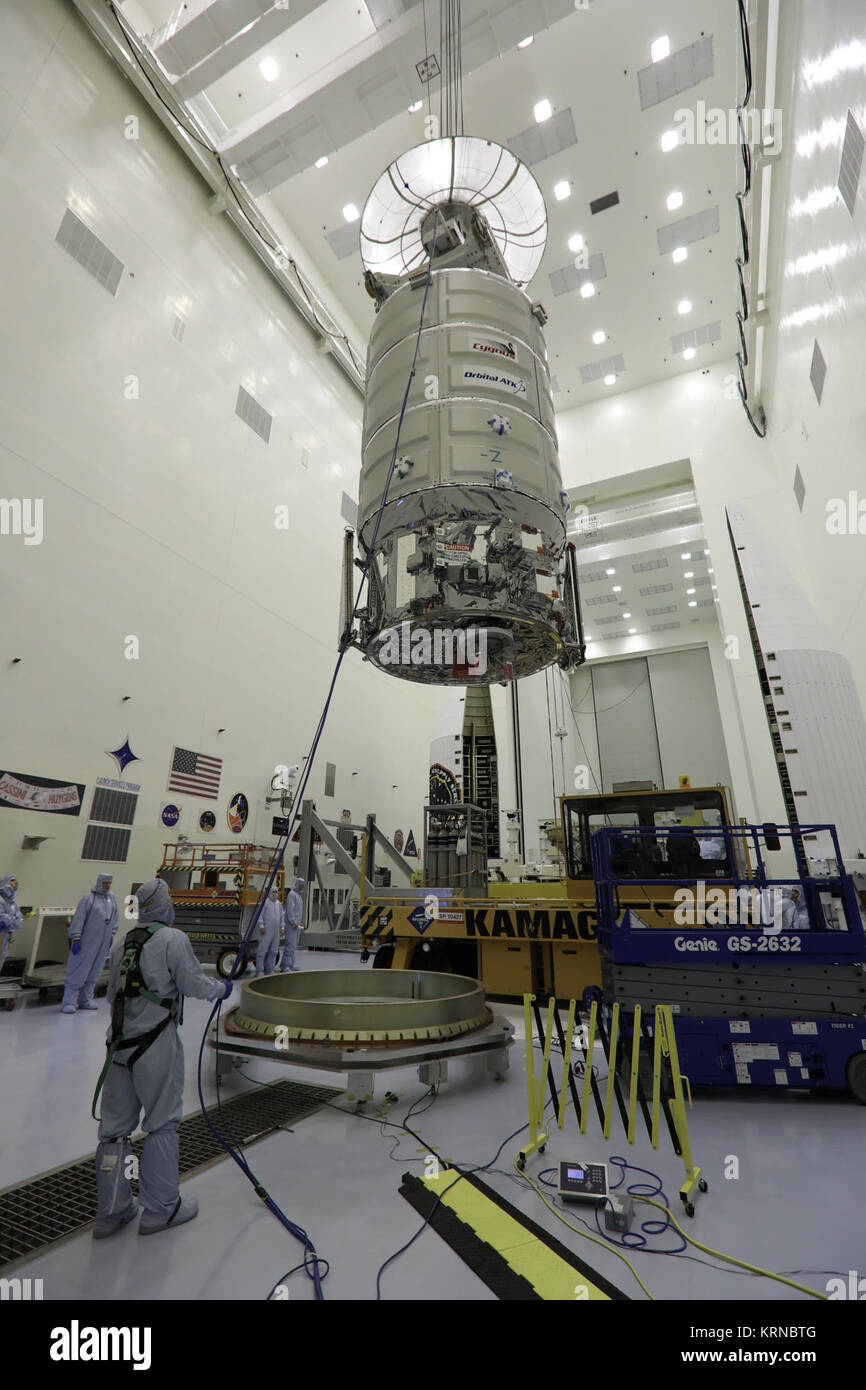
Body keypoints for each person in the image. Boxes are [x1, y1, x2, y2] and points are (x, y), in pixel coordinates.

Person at [92, 877, 231, 1239]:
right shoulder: (173, 939)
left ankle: (111, 1212)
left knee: (113, 1132)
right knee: (161, 1124)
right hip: (155, 1045)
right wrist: (223, 988)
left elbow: (111, 997)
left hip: (118, 1049)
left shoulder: (122, 942)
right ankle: (161, 1209)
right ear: (164, 905)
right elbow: (193, 983)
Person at [61, 872, 119, 1013]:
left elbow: (115, 918)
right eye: (105, 883)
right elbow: (79, 919)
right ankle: (69, 1001)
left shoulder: (112, 899)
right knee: (79, 969)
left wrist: (112, 934)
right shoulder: (88, 899)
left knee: (95, 970)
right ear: (99, 882)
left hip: (103, 943)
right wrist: (76, 937)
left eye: (109, 883)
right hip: (86, 942)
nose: (107, 886)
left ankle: (85, 999)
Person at [256, 885, 282, 976]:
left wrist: (282, 928)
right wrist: (261, 926)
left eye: (276, 892)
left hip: (276, 932)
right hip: (266, 930)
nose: (275, 894)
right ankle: (259, 970)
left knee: (274, 951)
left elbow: (281, 917)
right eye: (273, 892)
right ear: (269, 893)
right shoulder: (265, 903)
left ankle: (270, 969)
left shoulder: (279, 904)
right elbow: (260, 915)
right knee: (262, 950)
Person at [280, 877, 305, 972]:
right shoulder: (292, 895)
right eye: (301, 885)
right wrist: (294, 922)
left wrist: (299, 922)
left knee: (293, 945)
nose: (302, 887)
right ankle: (286, 966)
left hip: (296, 925)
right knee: (289, 945)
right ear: (297, 884)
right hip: (291, 925)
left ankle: (290, 964)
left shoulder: (298, 896)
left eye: (303, 885)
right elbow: (289, 910)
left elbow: (297, 912)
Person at [0, 874, 23, 973]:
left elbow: (19, 920)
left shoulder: (13, 903)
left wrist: (8, 920)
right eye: (12, 880)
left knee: (1, 958)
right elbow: (2, 917)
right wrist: (11, 919)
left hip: (5, 935)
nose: (16, 882)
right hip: (1, 933)